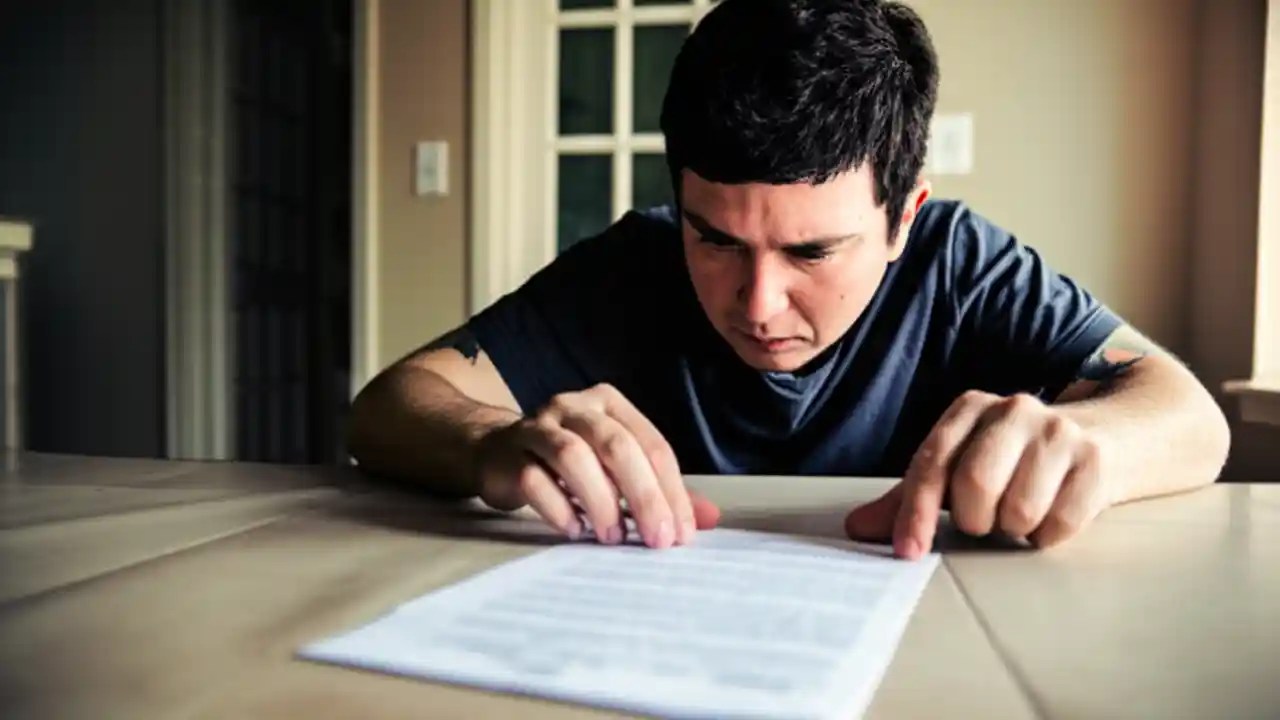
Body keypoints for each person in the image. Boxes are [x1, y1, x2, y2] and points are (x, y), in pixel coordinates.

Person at [347, 0, 1230, 560]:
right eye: (716, 239)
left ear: (903, 218)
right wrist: (489, 443)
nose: (759, 305)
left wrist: (1090, 446)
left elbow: (1190, 417)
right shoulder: (632, 264)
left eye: (812, 254)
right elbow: (394, 402)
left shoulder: (961, 263)